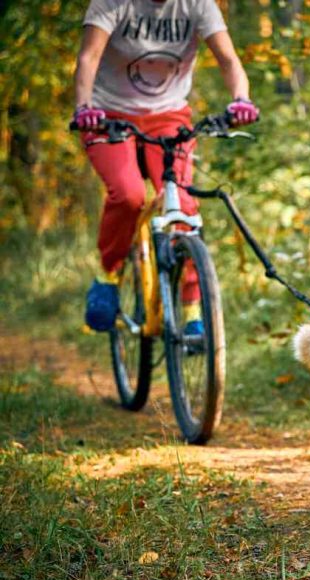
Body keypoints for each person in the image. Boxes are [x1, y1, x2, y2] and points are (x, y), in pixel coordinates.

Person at [72, 0, 259, 335]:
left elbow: (229, 60)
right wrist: (84, 106)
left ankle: (191, 311)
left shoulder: (198, 5)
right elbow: (89, 57)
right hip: (107, 115)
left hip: (169, 116)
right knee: (128, 195)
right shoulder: (113, 3)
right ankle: (108, 275)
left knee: (183, 206)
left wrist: (240, 99)